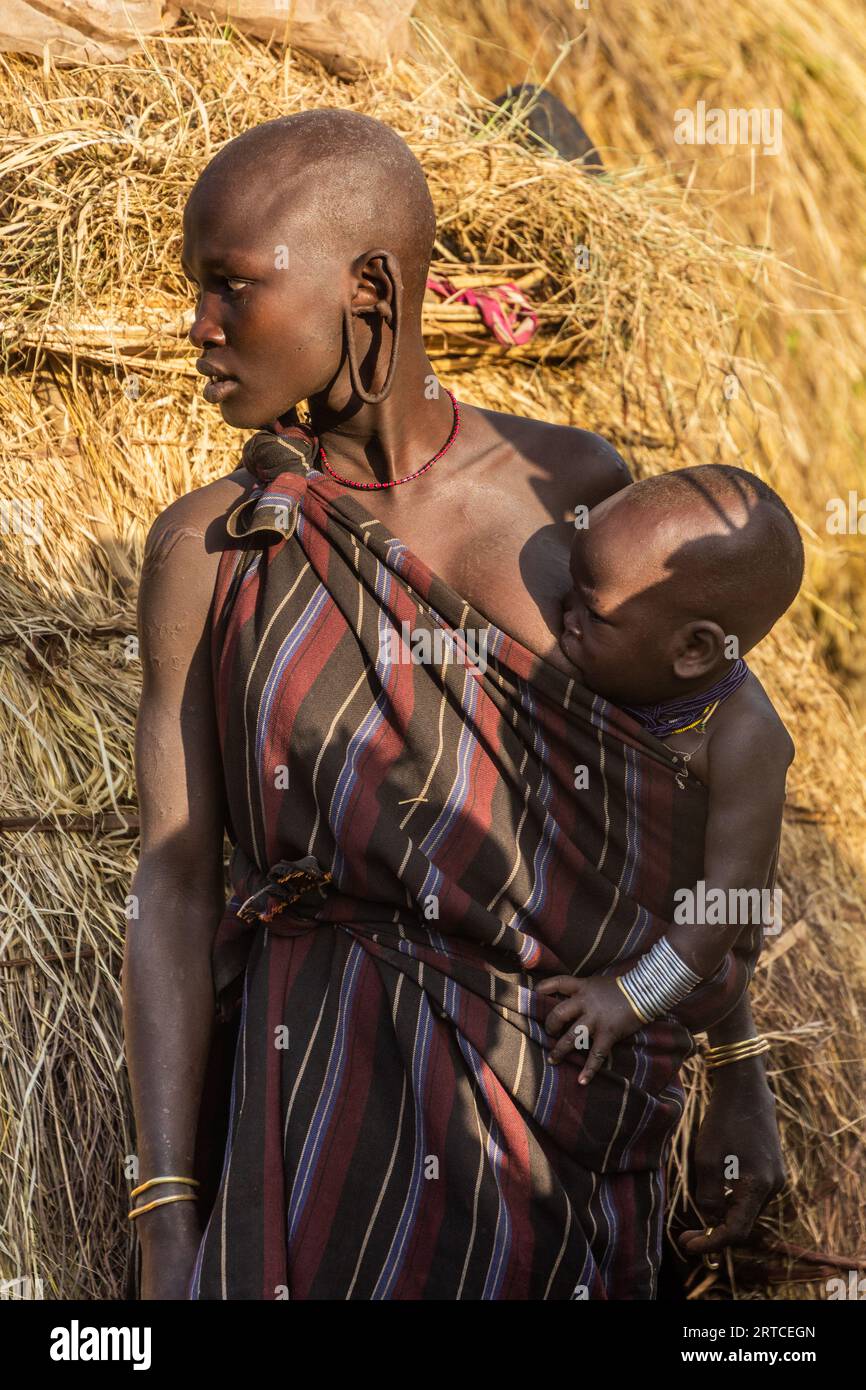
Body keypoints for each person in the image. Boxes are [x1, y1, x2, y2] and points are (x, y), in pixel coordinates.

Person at [122, 108, 785, 1301]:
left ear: (368, 285)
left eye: (230, 285)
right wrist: (165, 1206)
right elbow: (170, 883)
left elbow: (689, 800)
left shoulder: (573, 503)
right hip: (323, 1115)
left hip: (562, 1129)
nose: (198, 325)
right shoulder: (208, 553)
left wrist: (736, 1071)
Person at [539, 466, 802, 1078]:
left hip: (668, 958)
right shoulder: (625, 653)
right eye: (570, 590)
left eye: (593, 613)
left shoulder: (745, 741)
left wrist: (632, 998)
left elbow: (728, 903)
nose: (564, 613)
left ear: (693, 651)